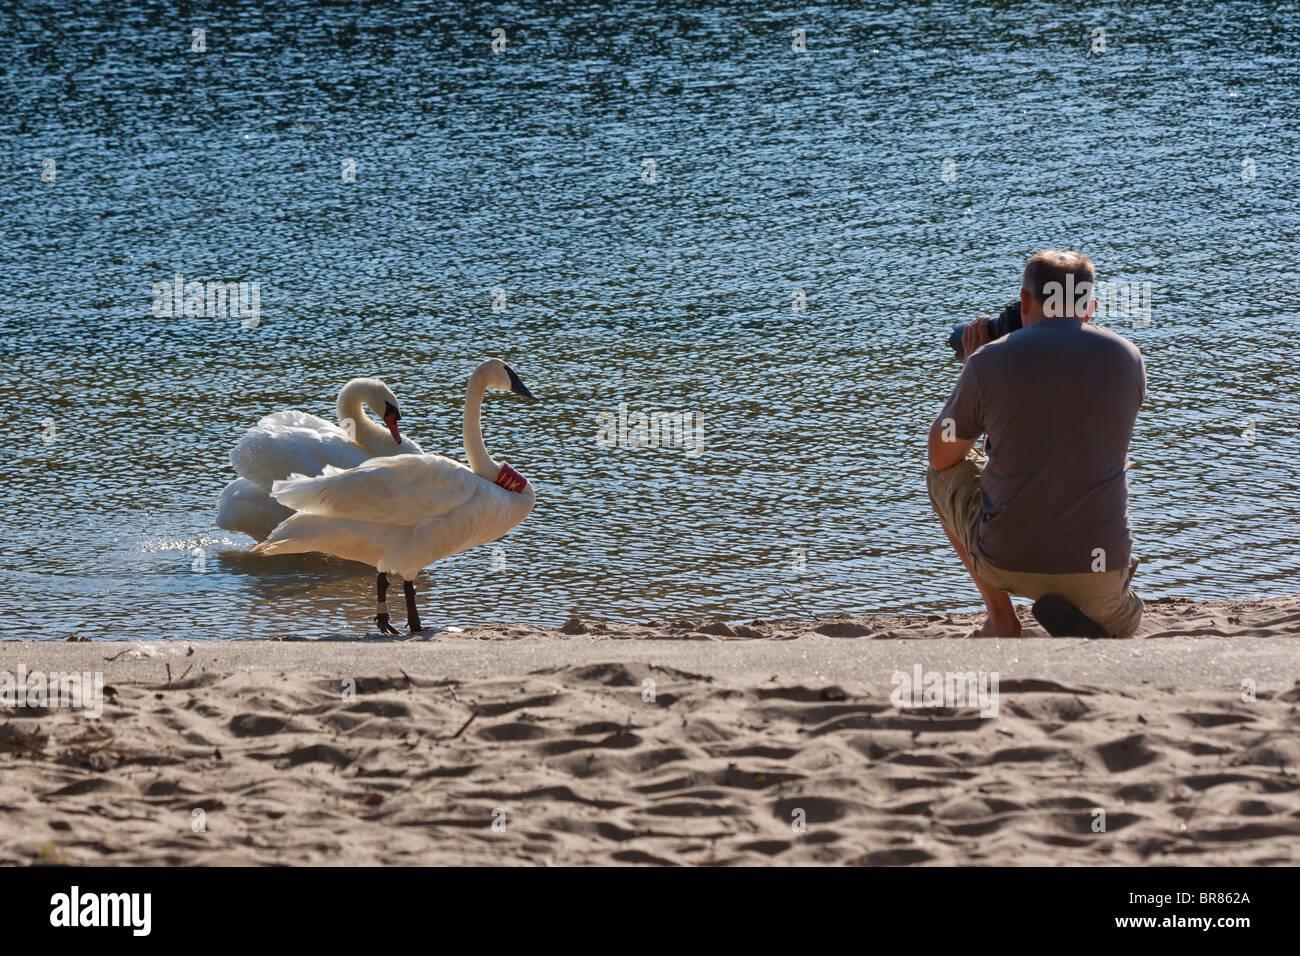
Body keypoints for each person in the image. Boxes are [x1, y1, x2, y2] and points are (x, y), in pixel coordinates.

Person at [926, 250, 1146, 637]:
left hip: (1008, 561)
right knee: (1124, 617)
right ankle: (1101, 610)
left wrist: (973, 371)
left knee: (942, 475)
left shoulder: (988, 361)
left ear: (1025, 302)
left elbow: (941, 455)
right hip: (1099, 567)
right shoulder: (1127, 357)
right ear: (1090, 307)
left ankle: (1001, 618)